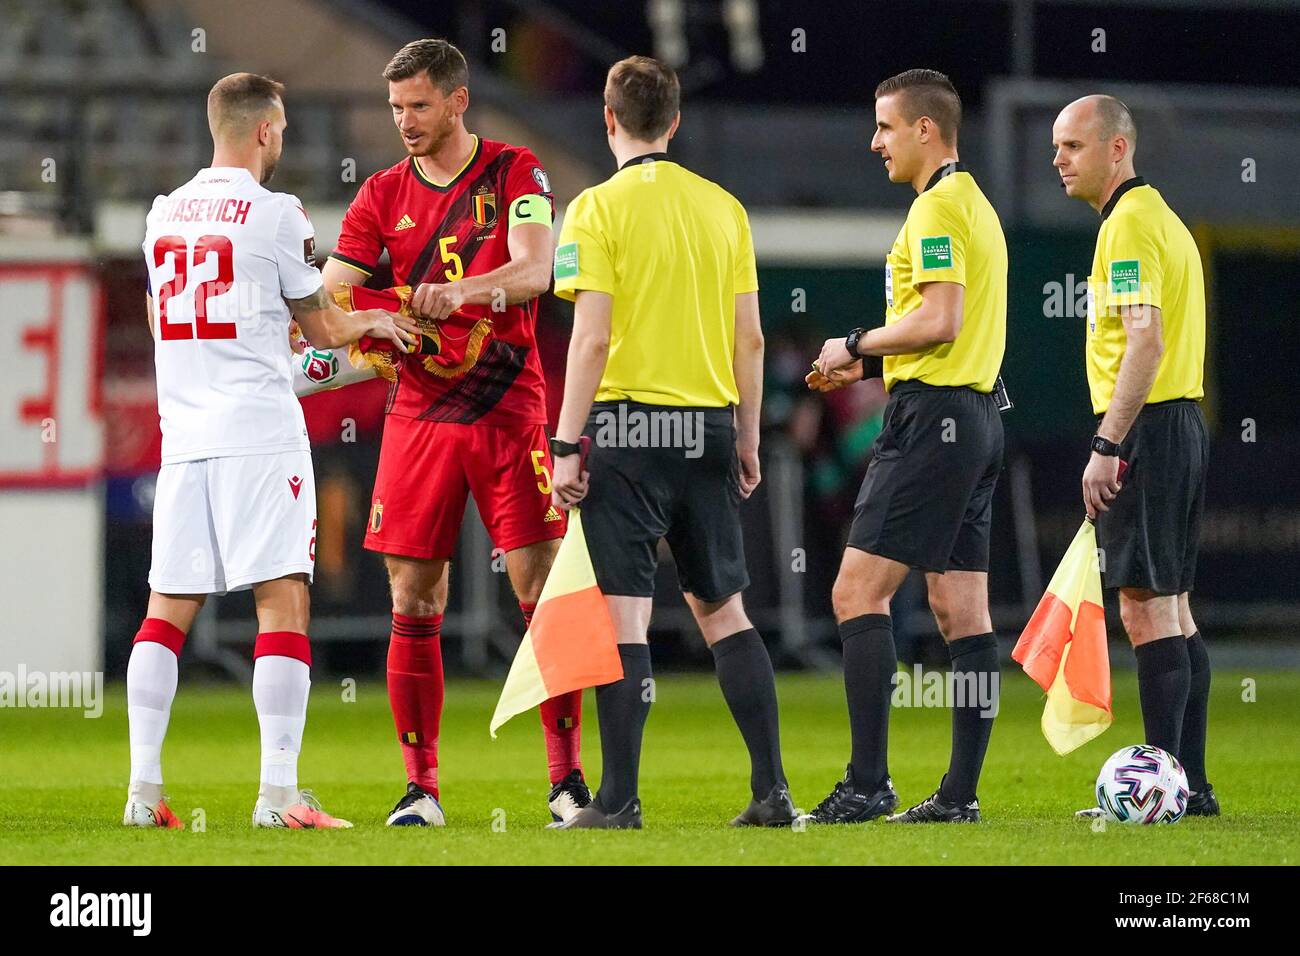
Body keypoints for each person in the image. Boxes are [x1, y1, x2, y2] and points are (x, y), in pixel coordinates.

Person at [128, 72, 415, 830]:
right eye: (281, 129)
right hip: (260, 439)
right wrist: (376, 325)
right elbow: (321, 329)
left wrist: (329, 357)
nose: (282, 140)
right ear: (263, 130)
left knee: (166, 611)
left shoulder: (159, 219)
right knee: (281, 599)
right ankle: (279, 796)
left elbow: (192, 337)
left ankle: (143, 794)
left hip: (185, 438)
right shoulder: (276, 215)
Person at [320, 38, 589, 826]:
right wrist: (370, 315)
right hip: (419, 418)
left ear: (459, 100)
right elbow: (330, 303)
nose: (405, 120)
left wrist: (458, 291)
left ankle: (567, 782)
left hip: (510, 409)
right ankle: (421, 788)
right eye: (396, 107)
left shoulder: (517, 172)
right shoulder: (377, 196)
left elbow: (537, 272)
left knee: (539, 589)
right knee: (414, 594)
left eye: (420, 105)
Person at [548, 55, 791, 830]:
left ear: (610, 119)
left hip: (627, 431)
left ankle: (618, 799)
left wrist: (564, 444)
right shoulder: (725, 208)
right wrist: (748, 435)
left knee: (623, 618)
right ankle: (772, 793)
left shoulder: (593, 209)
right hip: (710, 426)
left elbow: (590, 340)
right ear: (675, 121)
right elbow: (749, 337)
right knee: (725, 611)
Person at [803, 69, 1007, 824]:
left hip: (934, 423)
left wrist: (853, 341)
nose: (875, 142)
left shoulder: (936, 211)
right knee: (962, 611)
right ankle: (958, 796)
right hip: (977, 415)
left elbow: (941, 319)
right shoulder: (974, 204)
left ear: (927, 130)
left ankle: (866, 785)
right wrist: (868, 360)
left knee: (857, 592)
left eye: (886, 127)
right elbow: (944, 331)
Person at [1052, 95, 1217, 816]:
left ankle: (1164, 794)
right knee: (1175, 611)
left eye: (1072, 146)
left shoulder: (1128, 228)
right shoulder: (1162, 220)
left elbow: (1143, 341)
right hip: (1180, 423)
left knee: (1146, 612)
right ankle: (1193, 787)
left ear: (1117, 149)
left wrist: (1107, 444)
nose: (1058, 159)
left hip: (1147, 428)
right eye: (1057, 146)